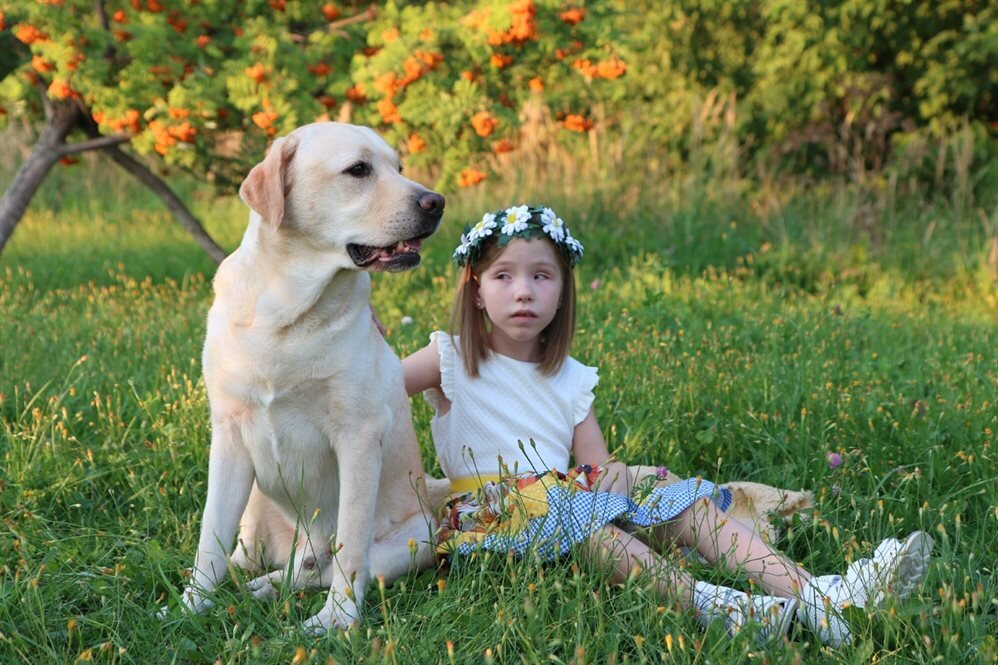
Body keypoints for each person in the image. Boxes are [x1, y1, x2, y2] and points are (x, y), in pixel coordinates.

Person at [401, 204, 932, 646]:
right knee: (567, 508)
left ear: (562, 291)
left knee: (657, 490)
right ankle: (718, 606)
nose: (523, 292)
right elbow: (371, 391)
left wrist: (619, 476)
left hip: (563, 504)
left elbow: (596, 466)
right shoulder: (449, 359)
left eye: (541, 276)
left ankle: (820, 595)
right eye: (503, 276)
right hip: (490, 516)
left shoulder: (570, 378)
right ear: (476, 291)